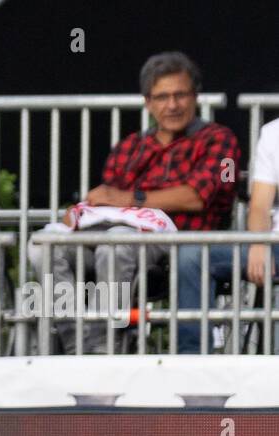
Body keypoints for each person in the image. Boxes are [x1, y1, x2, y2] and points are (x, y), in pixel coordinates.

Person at [32, 52, 239, 354]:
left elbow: (196, 196)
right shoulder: (130, 146)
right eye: (162, 96)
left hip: (179, 244)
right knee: (43, 245)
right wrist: (81, 212)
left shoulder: (220, 139)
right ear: (148, 102)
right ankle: (76, 345)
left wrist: (131, 198)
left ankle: (103, 350)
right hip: (113, 237)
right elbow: (106, 200)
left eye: (180, 95)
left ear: (196, 97)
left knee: (115, 242)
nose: (172, 105)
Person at [246, 118, 279, 303]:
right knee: (193, 257)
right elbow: (259, 206)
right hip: (275, 243)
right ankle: (194, 333)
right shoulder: (273, 132)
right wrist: (259, 242)